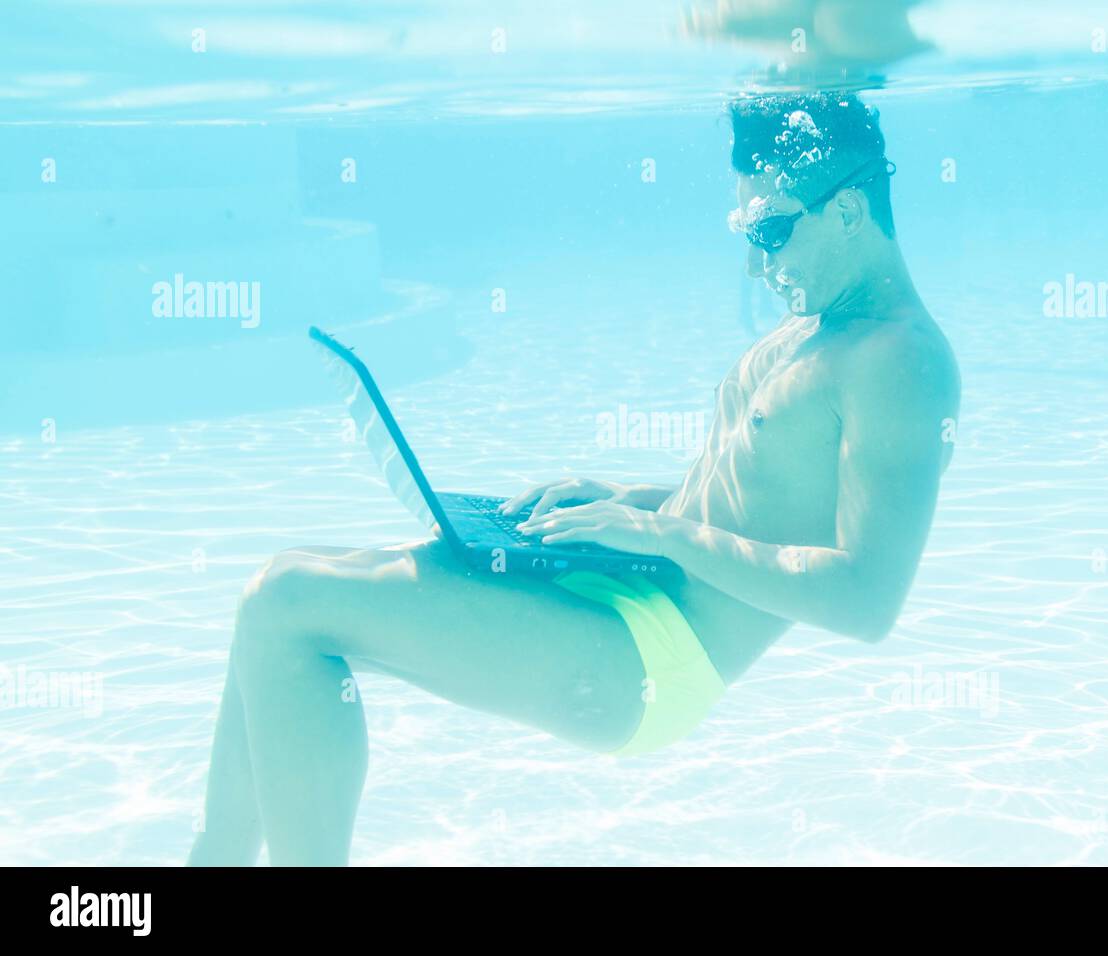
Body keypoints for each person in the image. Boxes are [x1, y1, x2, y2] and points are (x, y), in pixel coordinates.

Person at [188, 92, 960, 866]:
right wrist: (627, 502)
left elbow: (866, 600)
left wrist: (657, 532)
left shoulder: (900, 362)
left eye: (772, 229)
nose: (758, 261)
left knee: (289, 608)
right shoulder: (821, 329)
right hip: (620, 588)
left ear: (851, 209)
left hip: (650, 656)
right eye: (745, 230)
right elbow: (753, 498)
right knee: (276, 590)